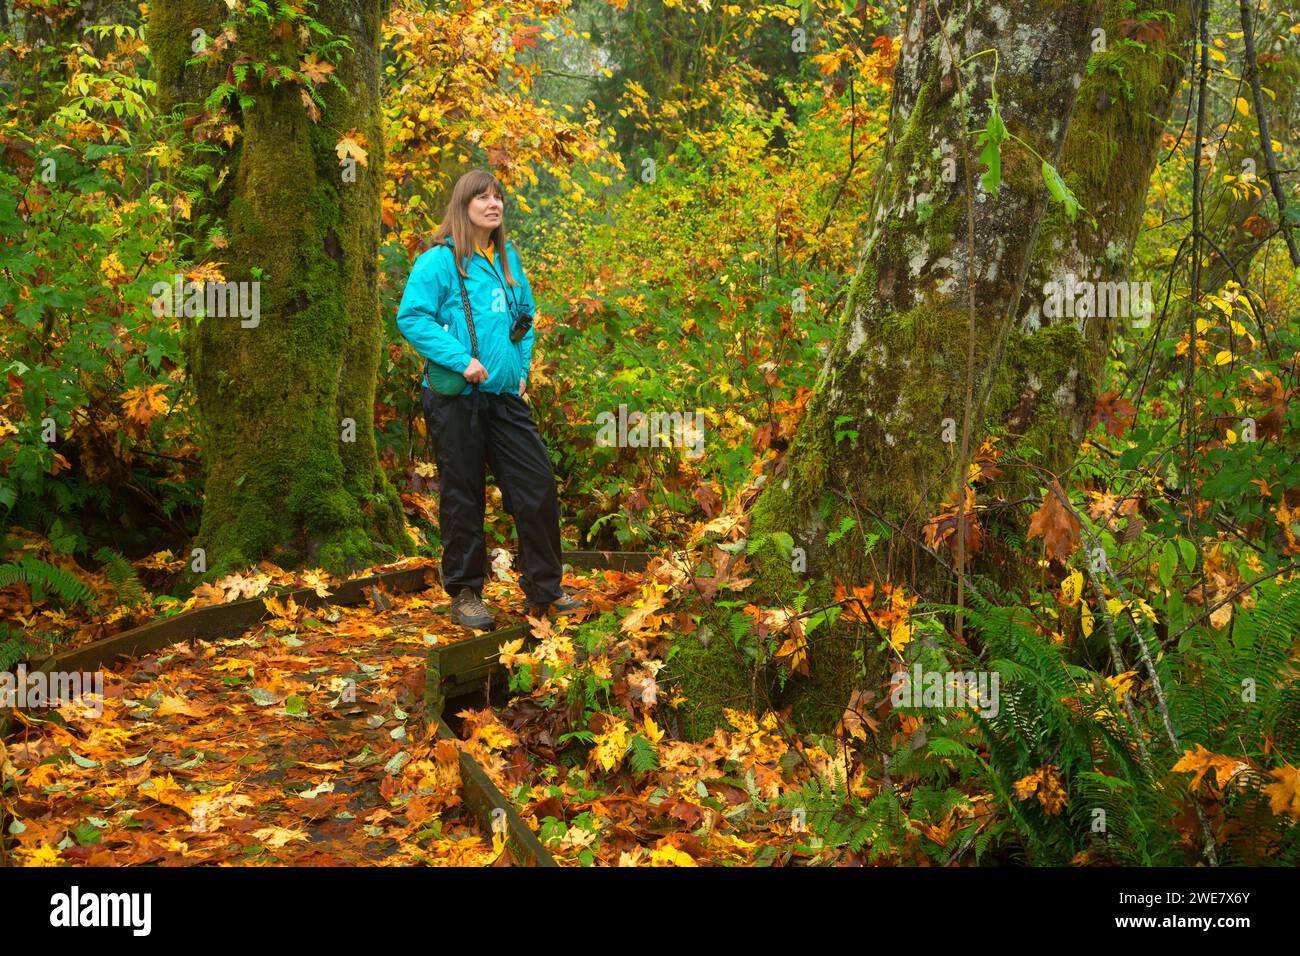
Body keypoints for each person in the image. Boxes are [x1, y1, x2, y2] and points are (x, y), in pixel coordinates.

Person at [396, 169, 583, 630]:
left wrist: (519, 373)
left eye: (498, 197)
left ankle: (545, 588)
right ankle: (465, 593)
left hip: (503, 397)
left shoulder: (507, 259)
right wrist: (461, 360)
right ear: (463, 206)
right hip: (455, 398)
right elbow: (412, 317)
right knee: (463, 494)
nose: (493, 204)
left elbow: (525, 318)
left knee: (536, 485)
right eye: (482, 197)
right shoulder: (438, 262)